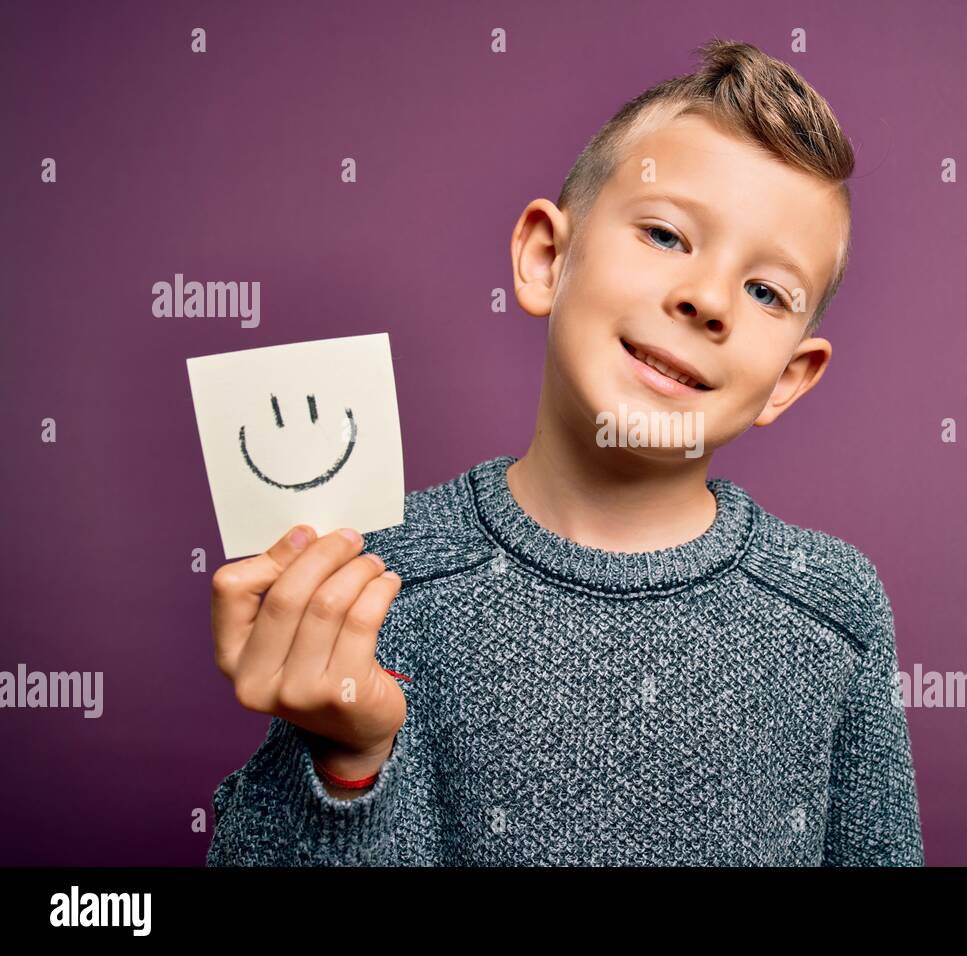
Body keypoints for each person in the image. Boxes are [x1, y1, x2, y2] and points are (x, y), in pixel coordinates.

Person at [205, 38, 924, 866]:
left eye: (768, 291)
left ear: (789, 380)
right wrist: (347, 764)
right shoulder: (370, 582)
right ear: (547, 258)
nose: (706, 298)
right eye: (664, 235)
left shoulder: (834, 608)